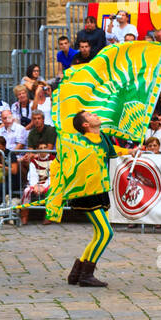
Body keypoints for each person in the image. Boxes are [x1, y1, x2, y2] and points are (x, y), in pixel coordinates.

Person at [60, 111, 140, 287]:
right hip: (86, 192)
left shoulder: (103, 136)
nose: (95, 115)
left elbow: (113, 152)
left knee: (99, 233)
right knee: (106, 232)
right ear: (85, 125)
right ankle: (86, 275)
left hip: (99, 189)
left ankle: (77, 272)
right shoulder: (80, 142)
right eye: (90, 115)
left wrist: (130, 151)